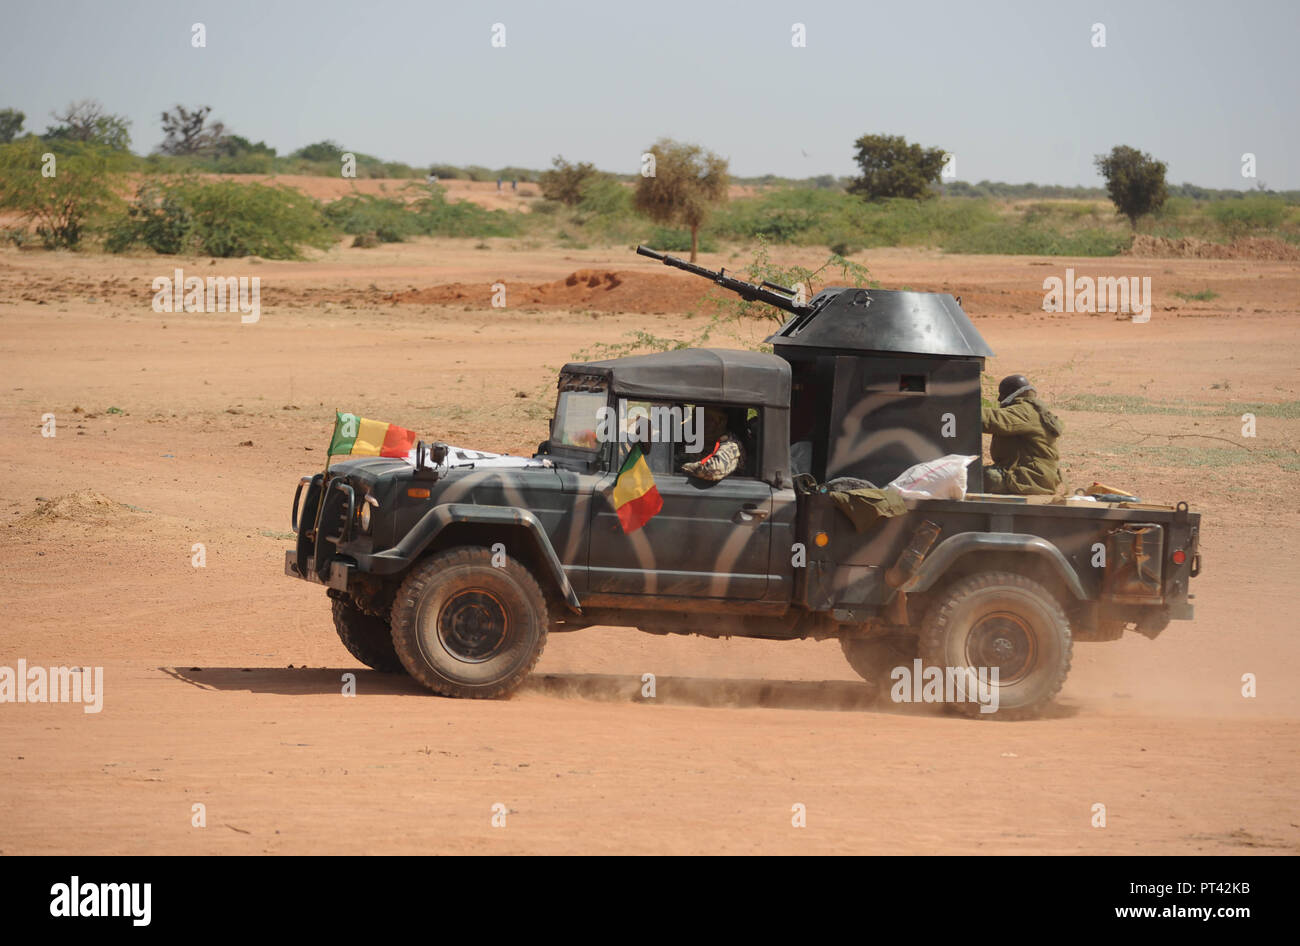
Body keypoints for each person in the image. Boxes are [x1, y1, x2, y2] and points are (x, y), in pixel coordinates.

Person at [981, 374, 1064, 495]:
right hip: (1033, 476)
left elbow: (995, 420)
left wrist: (963, 409)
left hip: (1030, 479)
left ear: (1012, 393)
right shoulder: (1031, 408)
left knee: (972, 477)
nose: (999, 399)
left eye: (1002, 393)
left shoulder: (1025, 411)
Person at [681, 407, 745, 481]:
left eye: (707, 419)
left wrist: (686, 467)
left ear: (720, 423)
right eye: (698, 418)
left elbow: (714, 470)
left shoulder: (731, 444)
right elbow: (680, 459)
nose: (701, 423)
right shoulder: (698, 441)